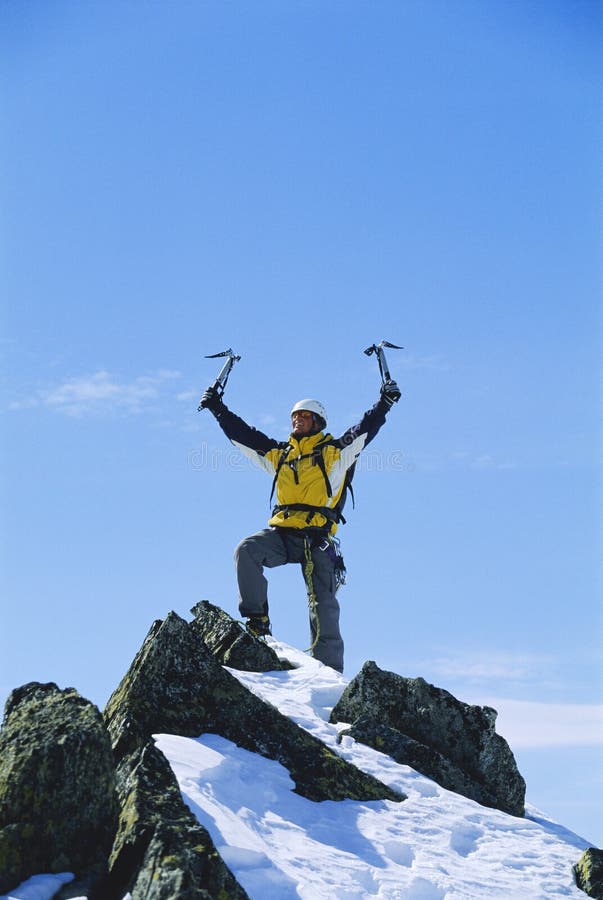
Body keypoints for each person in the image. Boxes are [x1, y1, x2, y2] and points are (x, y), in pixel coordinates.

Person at [199, 379, 400, 673]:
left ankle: (328, 673)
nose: (297, 420)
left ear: (318, 421)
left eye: (304, 416)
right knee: (247, 550)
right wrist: (218, 408)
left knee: (324, 606)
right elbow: (243, 436)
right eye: (294, 416)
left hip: (318, 540)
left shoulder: (335, 453)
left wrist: (385, 402)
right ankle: (258, 622)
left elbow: (364, 430)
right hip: (282, 536)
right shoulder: (279, 456)